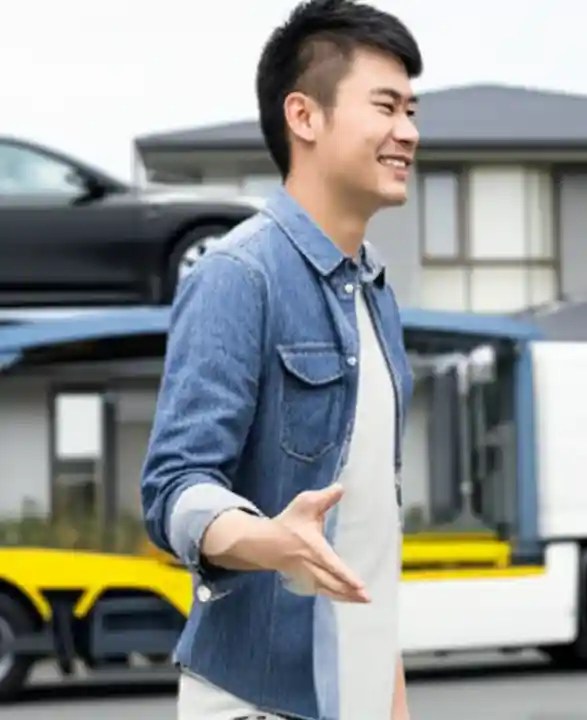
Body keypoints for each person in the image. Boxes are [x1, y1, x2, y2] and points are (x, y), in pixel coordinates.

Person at [139, 1, 422, 718]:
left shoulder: (378, 293)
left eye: (413, 111)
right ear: (305, 116)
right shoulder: (239, 274)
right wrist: (264, 540)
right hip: (258, 703)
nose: (409, 133)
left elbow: (369, 539)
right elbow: (174, 486)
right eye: (386, 106)